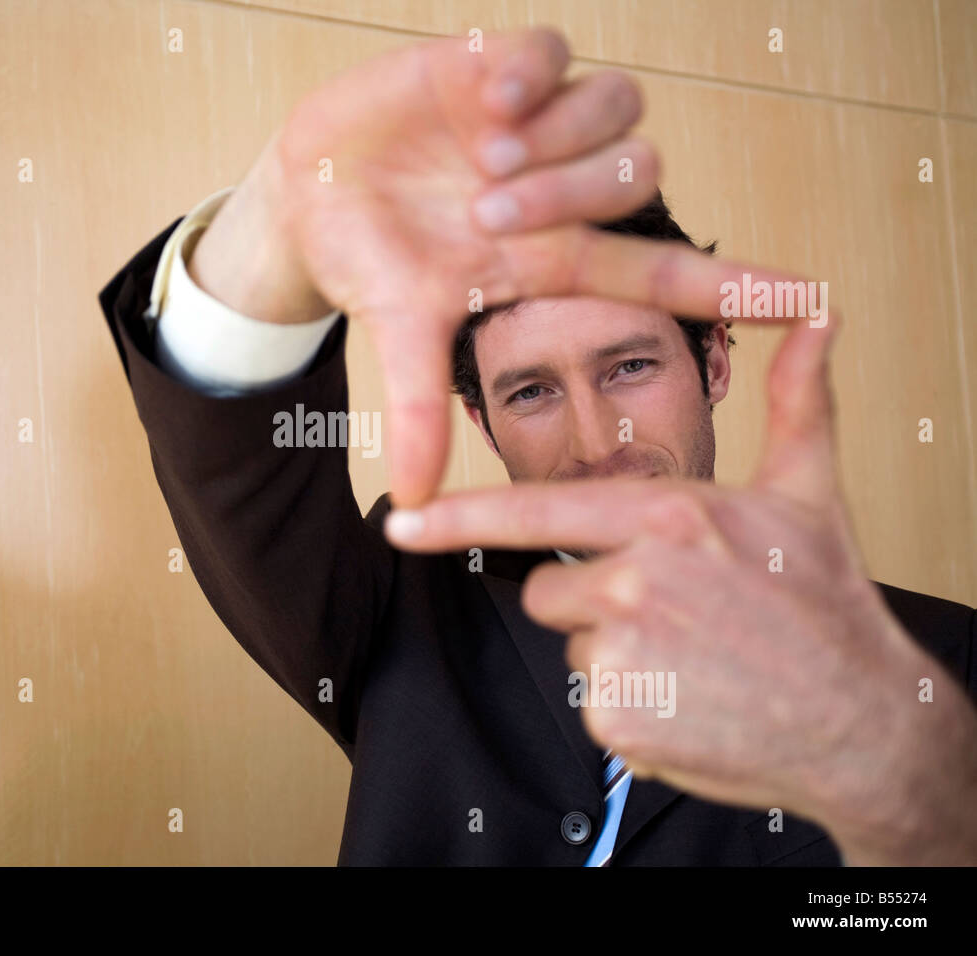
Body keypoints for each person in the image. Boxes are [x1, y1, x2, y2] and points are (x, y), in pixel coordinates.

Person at [99, 27, 977, 865]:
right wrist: (282, 215)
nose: (600, 444)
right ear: (479, 421)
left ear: (712, 361)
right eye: (532, 392)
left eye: (630, 366)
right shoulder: (403, 599)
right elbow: (243, 472)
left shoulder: (938, 663)